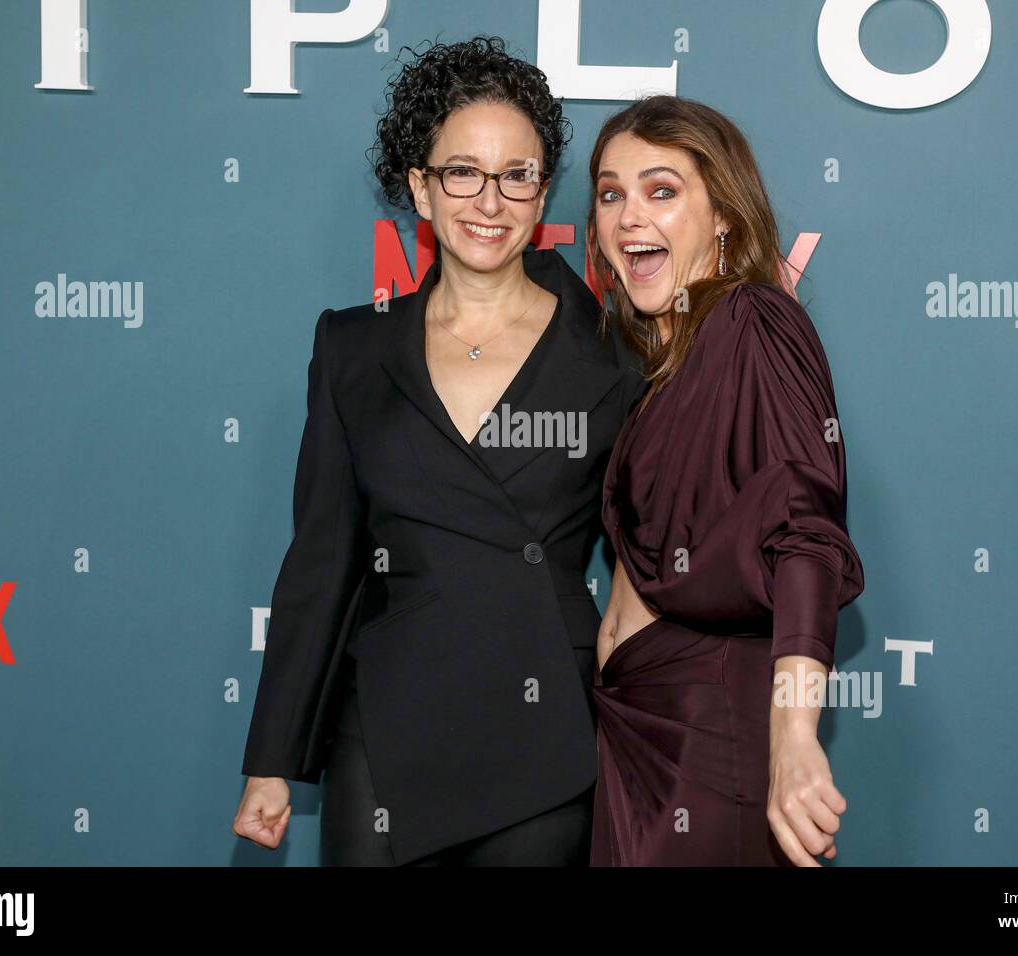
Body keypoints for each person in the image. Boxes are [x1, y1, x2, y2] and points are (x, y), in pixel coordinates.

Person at [231, 36, 646, 866]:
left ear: (542, 193)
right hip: (387, 725)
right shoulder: (353, 348)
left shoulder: (614, 354)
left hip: (544, 724)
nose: (489, 201)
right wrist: (273, 761)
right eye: (462, 172)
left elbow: (653, 558)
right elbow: (322, 562)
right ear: (419, 187)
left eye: (516, 175)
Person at [586, 95, 866, 866]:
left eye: (661, 190)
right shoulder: (666, 363)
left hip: (709, 729)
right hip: (634, 725)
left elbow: (805, 529)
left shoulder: (754, 318)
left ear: (724, 219)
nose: (629, 216)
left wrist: (795, 733)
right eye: (610, 194)